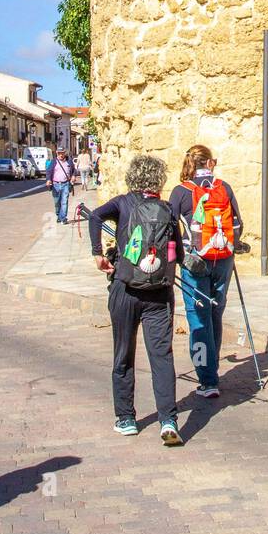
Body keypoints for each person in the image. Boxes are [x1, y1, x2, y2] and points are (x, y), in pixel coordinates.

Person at [89, 153, 184, 445]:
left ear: (132, 177)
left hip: (125, 289)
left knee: (123, 353)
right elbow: (179, 254)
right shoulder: (167, 210)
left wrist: (98, 254)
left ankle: (126, 419)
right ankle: (168, 420)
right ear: (159, 179)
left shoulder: (122, 203)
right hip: (159, 294)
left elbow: (94, 216)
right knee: (162, 357)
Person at [169, 145, 243, 400]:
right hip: (223, 259)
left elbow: (170, 227)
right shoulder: (224, 187)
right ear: (210, 163)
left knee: (198, 319)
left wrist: (176, 257)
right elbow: (238, 223)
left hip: (194, 261)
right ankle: (214, 369)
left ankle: (207, 379)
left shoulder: (181, 191)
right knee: (215, 313)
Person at [45, 148, 75, 223]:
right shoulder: (54, 161)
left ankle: (63, 218)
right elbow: (49, 171)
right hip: (56, 185)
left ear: (64, 153)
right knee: (57, 203)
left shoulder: (69, 161)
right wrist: (48, 180)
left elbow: (74, 170)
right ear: (57, 153)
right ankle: (59, 215)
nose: (61, 155)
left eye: (62, 153)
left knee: (64, 201)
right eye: (59, 153)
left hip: (66, 184)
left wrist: (73, 176)